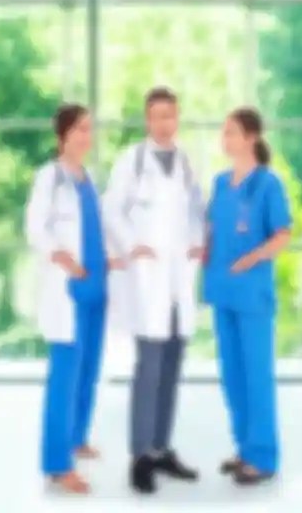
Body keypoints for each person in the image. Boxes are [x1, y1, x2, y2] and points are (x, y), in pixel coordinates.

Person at [104, 87, 204, 494]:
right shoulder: (132, 160)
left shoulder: (185, 162)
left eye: (171, 115)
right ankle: (140, 456)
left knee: (173, 366)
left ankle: (162, 449)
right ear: (147, 120)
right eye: (158, 116)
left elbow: (197, 210)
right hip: (149, 280)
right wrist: (132, 245)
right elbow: (110, 207)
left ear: (177, 118)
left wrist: (199, 240)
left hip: (180, 278)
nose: (165, 123)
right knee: (149, 369)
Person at [203, 107, 292, 486]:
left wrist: (252, 257)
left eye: (232, 133)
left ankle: (263, 457)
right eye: (223, 133)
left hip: (252, 293)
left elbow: (283, 234)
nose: (226, 140)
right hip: (222, 291)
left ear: (252, 137)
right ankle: (243, 448)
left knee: (257, 375)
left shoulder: (268, 185)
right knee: (232, 374)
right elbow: (210, 226)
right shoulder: (221, 183)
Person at [25, 103, 109, 495]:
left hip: (95, 287)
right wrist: (60, 255)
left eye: (89, 129)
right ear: (62, 135)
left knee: (88, 370)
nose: (86, 137)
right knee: (65, 377)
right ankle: (58, 466)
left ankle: (77, 438)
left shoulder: (87, 178)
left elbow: (97, 227)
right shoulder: (50, 177)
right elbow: (34, 227)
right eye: (79, 129)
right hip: (68, 289)